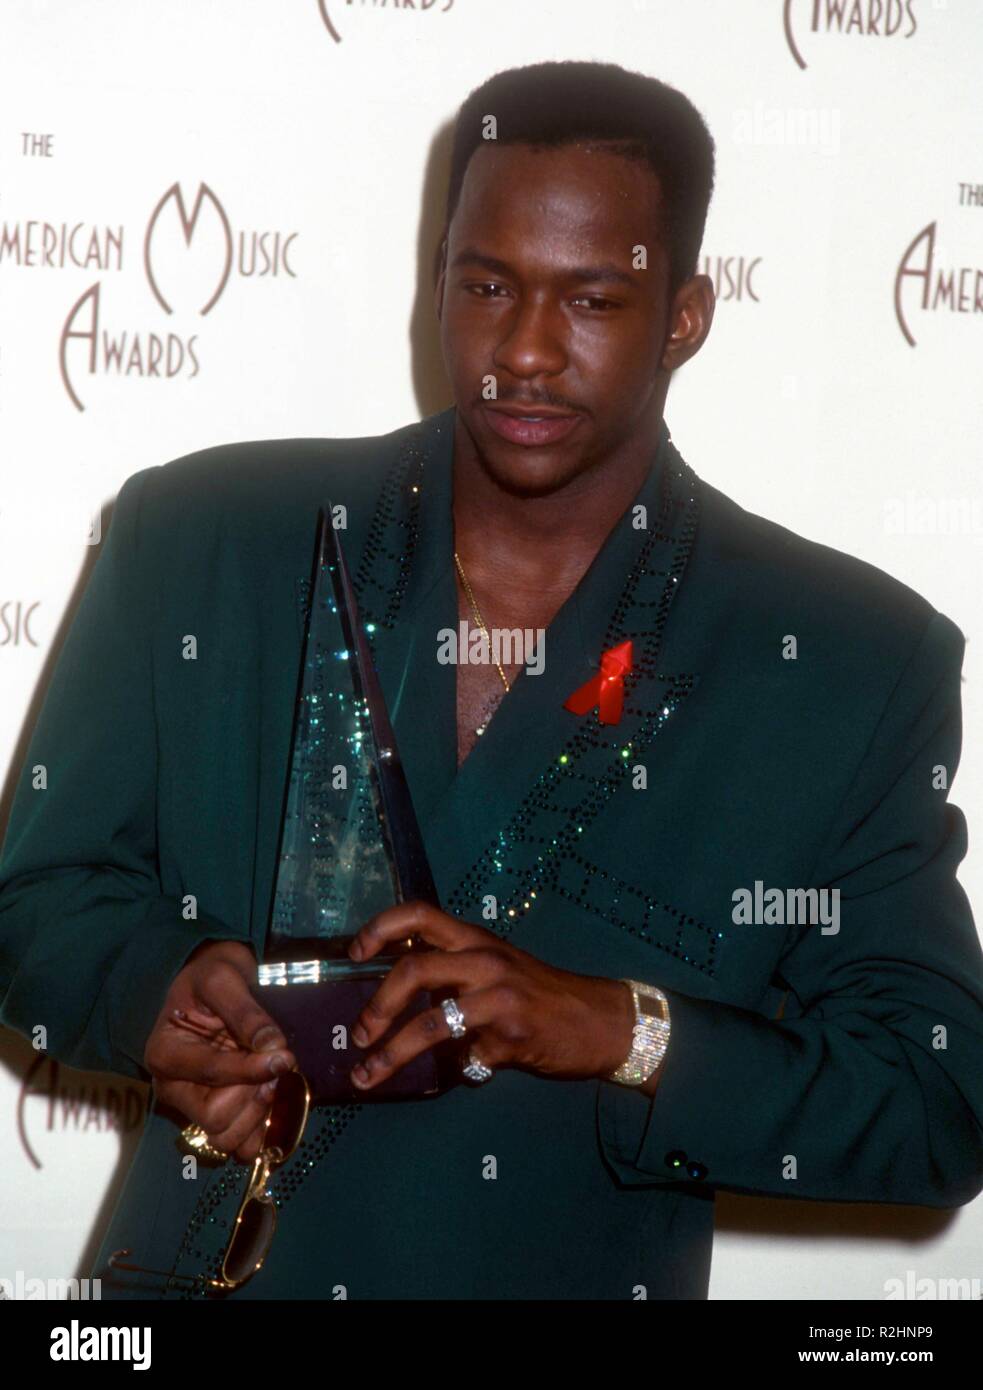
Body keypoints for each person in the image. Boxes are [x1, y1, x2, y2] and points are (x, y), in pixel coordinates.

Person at [1, 60, 981, 1302]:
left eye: (590, 300)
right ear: (438, 280)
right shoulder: (202, 538)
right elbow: (34, 907)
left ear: (684, 315)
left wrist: (617, 1028)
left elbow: (933, 1100)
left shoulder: (844, 661)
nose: (522, 351)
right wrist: (154, 989)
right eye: (486, 285)